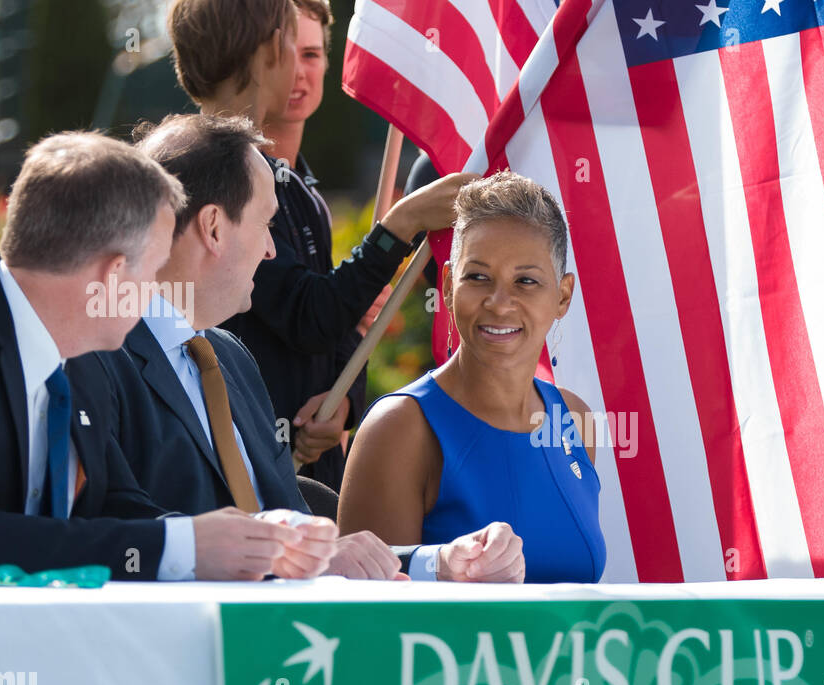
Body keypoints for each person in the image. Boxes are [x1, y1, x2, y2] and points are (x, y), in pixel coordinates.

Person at [74, 113, 524, 583]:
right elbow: (109, 531)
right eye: (266, 224)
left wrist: (442, 563)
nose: (271, 249)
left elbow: (303, 545)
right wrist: (274, 550)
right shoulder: (92, 359)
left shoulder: (230, 358)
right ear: (213, 228)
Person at [0, 131, 334, 582]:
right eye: (155, 266)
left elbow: (113, 508)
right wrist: (183, 546)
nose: (161, 292)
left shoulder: (77, 354)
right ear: (114, 271)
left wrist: (249, 538)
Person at [167, 0, 475, 491]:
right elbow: (312, 313)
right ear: (270, 53)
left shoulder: (303, 193)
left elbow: (346, 327)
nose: (300, 69)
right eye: (293, 48)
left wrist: (343, 402)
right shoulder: (205, 177)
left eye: (314, 54)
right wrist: (402, 223)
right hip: (239, 471)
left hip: (305, 476)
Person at [339, 172, 604, 584]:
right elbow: (366, 622)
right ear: (447, 286)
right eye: (477, 277)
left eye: (526, 281)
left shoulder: (575, 418)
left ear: (563, 296)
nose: (500, 304)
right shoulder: (399, 428)